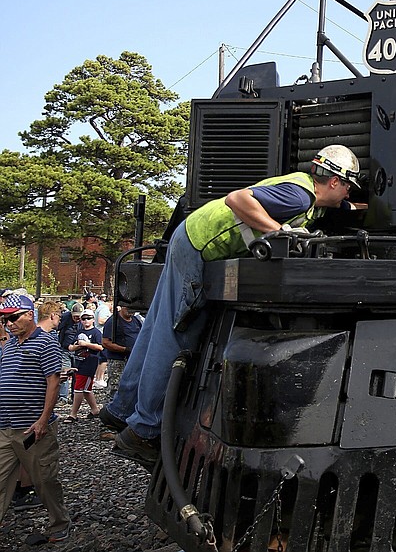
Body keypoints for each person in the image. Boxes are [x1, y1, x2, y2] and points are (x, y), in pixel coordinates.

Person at [101, 144, 363, 469]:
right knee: (176, 333)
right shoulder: (300, 197)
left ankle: (119, 410)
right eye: (348, 185)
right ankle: (141, 432)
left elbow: (342, 207)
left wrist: (358, 207)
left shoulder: (306, 193)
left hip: (192, 236)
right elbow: (237, 199)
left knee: (157, 324)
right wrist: (277, 231)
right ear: (335, 182)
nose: (348, 192)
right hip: (199, 245)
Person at [0, 291, 72, 545]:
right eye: (4, 319)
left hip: (33, 427)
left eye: (13, 318)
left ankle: (60, 523)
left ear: (30, 315)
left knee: (44, 478)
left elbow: (53, 381)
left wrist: (43, 420)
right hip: (6, 426)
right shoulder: (9, 345)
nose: (8, 323)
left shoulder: (45, 342)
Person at [66, 310, 103, 420]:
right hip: (78, 362)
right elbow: (70, 347)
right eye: (84, 318)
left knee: (78, 388)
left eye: (89, 318)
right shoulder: (79, 332)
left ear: (93, 319)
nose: (86, 321)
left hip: (89, 363)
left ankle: (73, 414)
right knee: (86, 389)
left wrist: (86, 344)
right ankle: (95, 410)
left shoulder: (96, 333)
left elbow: (100, 347)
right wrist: (78, 346)